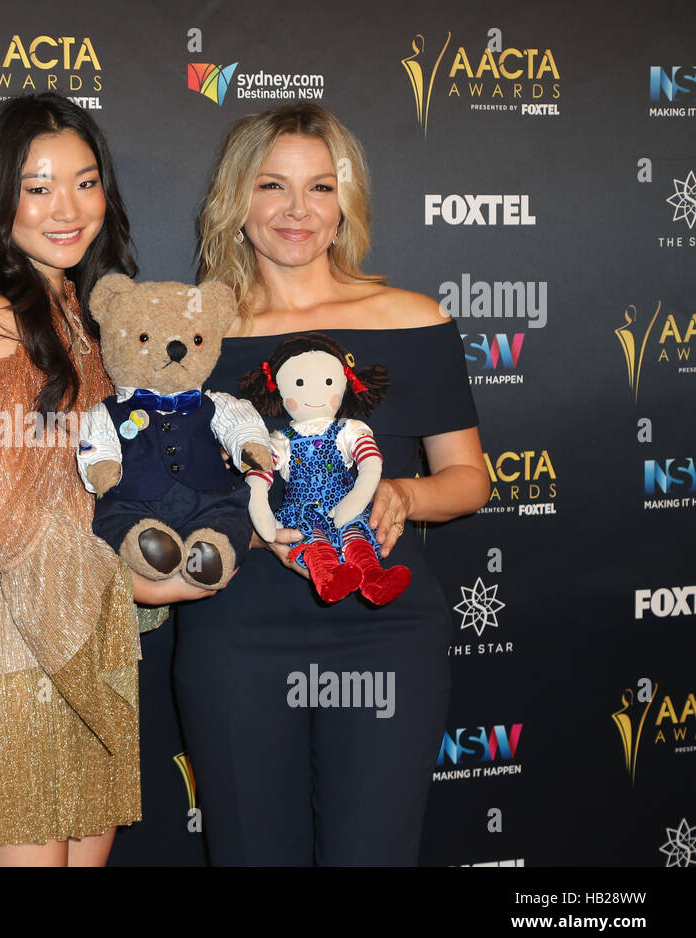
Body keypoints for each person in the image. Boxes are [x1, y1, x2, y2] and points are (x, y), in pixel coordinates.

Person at [175, 103, 489, 865]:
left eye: (320, 188)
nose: (297, 211)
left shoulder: (411, 320)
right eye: (272, 186)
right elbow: (171, 496)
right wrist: (247, 523)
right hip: (235, 633)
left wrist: (405, 496)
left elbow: (469, 479)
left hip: (384, 631)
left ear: (345, 203)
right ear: (236, 201)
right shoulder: (189, 335)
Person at [0, 93, 208, 867]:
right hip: (17, 638)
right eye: (38, 186)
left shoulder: (74, 309)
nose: (67, 207)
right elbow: (10, 522)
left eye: (85, 181)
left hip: (88, 625)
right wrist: (140, 585)